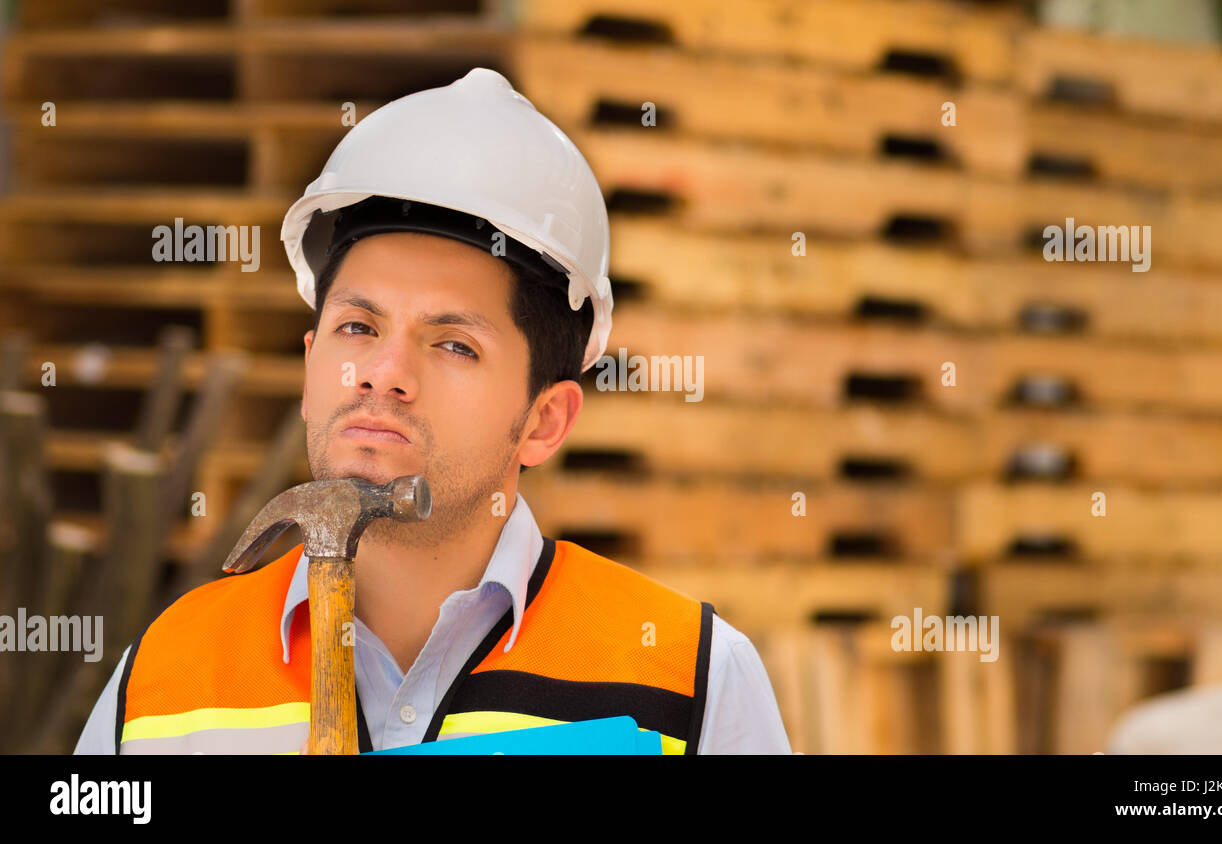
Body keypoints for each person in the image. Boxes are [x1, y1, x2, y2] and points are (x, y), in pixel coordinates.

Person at [74, 68, 791, 755]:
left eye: (453, 344)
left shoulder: (686, 681)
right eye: (358, 327)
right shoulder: (164, 679)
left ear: (545, 421)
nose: (385, 375)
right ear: (308, 365)